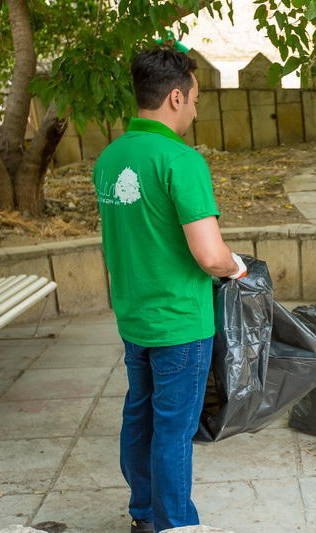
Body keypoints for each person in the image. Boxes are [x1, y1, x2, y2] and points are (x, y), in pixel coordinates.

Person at [93, 47, 246, 533]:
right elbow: (209, 255)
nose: (197, 110)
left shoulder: (110, 157)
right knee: (174, 430)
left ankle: (143, 514)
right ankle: (175, 524)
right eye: (196, 99)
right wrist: (236, 267)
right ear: (176, 97)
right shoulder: (181, 161)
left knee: (140, 416)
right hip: (180, 321)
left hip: (133, 318)